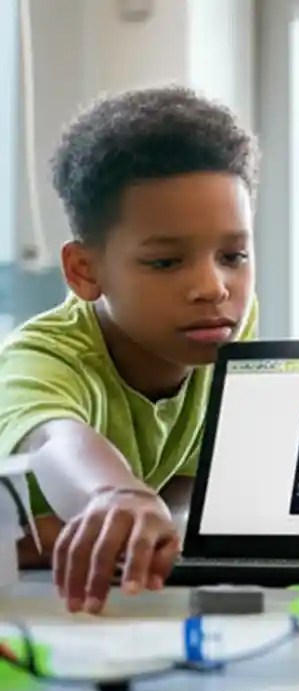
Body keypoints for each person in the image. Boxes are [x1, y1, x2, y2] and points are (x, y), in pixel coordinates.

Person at [0, 86, 259, 612]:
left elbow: (188, 480)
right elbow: (55, 440)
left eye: (233, 255)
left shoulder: (226, 324)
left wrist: (152, 523)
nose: (214, 287)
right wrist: (113, 495)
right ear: (84, 271)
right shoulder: (43, 358)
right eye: (165, 262)